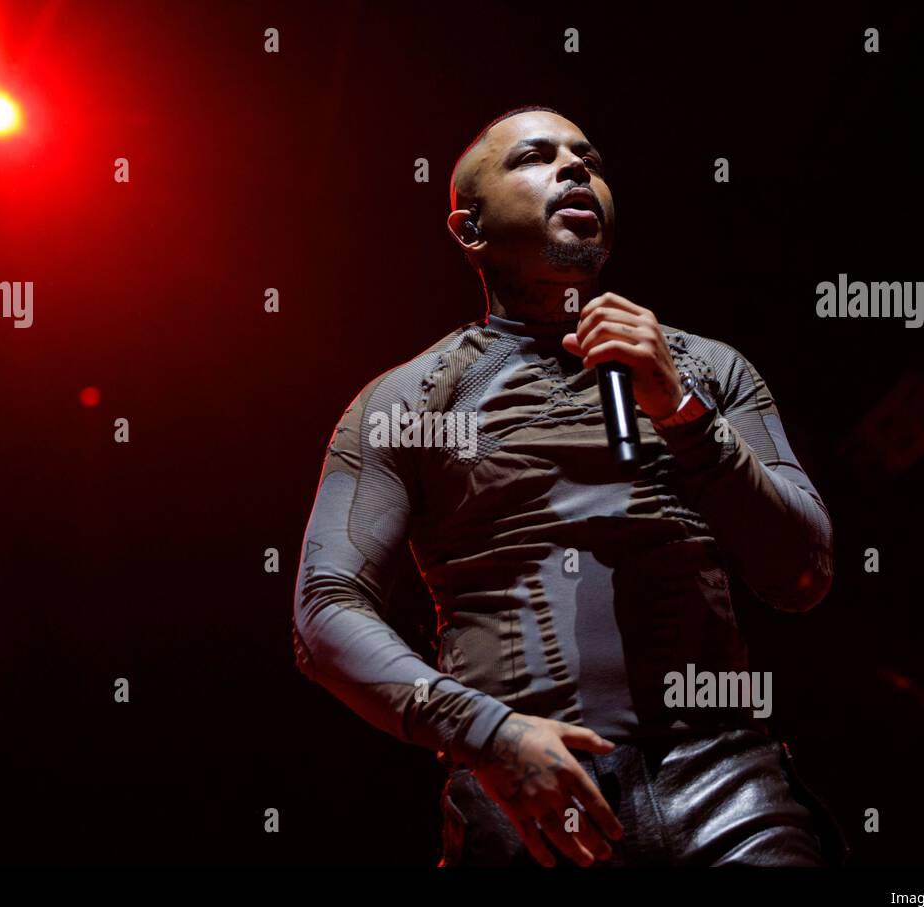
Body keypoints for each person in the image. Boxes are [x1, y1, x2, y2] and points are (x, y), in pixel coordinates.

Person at [291, 105, 847, 867]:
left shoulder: (711, 370)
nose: (577, 169)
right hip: (530, 800)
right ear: (469, 230)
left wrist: (682, 414)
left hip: (727, 783)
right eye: (535, 157)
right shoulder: (407, 401)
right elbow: (324, 615)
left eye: (589, 157)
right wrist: (486, 734)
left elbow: (804, 573)